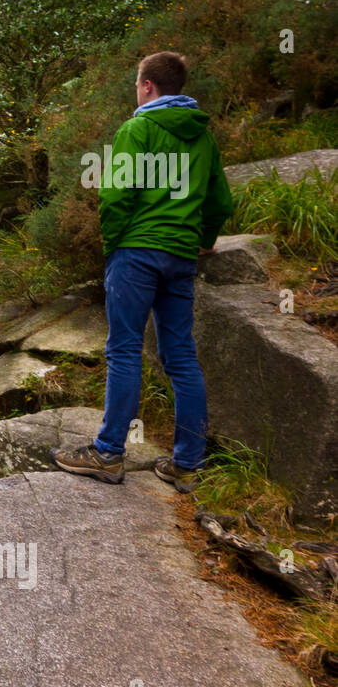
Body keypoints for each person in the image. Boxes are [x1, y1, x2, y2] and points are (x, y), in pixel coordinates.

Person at [51, 51, 233, 493]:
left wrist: (114, 247)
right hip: (180, 257)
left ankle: (109, 453)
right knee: (181, 357)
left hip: (136, 253)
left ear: (147, 86)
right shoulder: (203, 138)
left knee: (125, 350)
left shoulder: (138, 129)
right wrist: (204, 238)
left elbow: (116, 197)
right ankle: (187, 463)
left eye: (137, 83)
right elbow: (221, 201)